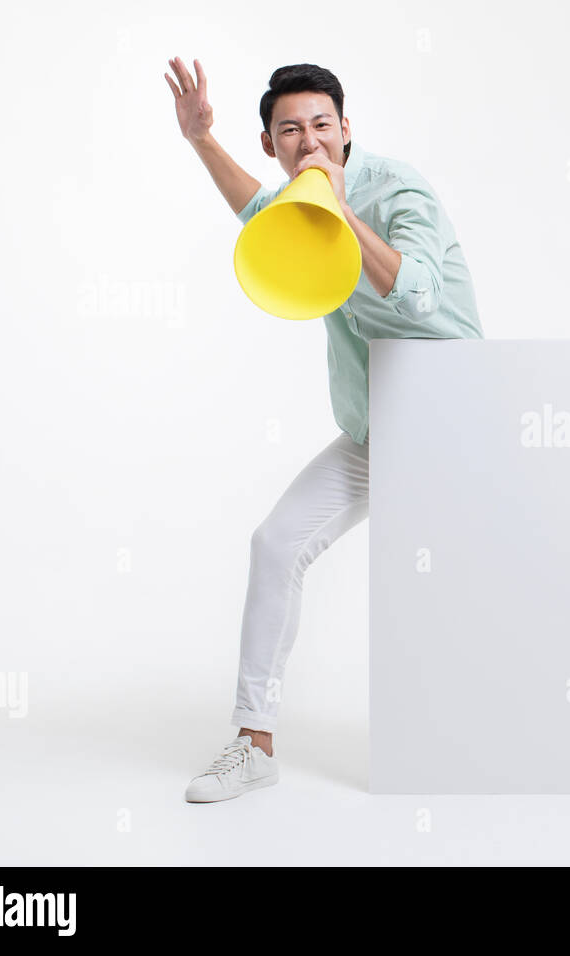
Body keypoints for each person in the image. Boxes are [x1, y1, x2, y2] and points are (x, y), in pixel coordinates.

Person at [165, 57, 484, 802]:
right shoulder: (296, 198)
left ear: (345, 129)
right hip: (380, 427)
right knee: (276, 543)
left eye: (320, 125)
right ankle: (254, 744)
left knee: (451, 580)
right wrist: (202, 140)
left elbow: (419, 295)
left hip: (458, 418)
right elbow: (256, 211)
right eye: (290, 131)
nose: (308, 142)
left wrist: (342, 212)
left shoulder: (396, 190)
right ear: (271, 143)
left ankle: (475, 742)